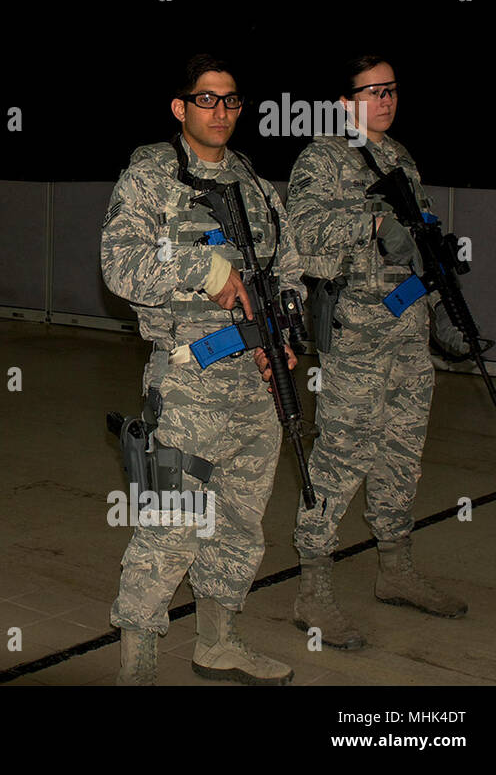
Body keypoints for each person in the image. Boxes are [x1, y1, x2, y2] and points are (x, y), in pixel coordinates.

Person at [101, 54, 303, 685]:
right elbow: (120, 265)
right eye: (207, 99)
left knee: (240, 524)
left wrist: (288, 333)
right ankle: (137, 666)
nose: (220, 112)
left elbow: (287, 269)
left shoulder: (256, 186)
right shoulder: (151, 177)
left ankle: (218, 642)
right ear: (179, 107)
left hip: (256, 383)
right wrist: (202, 270)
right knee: (171, 527)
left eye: (232, 101)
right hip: (189, 382)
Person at [288, 56, 467, 650]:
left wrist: (441, 305)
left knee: (401, 454)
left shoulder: (401, 159)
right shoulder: (323, 158)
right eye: (374, 91)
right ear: (345, 102)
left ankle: (395, 571)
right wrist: (368, 221)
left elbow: (415, 250)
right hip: (358, 340)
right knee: (340, 458)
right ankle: (312, 589)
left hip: (408, 335)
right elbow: (304, 242)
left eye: (392, 89)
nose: (386, 99)